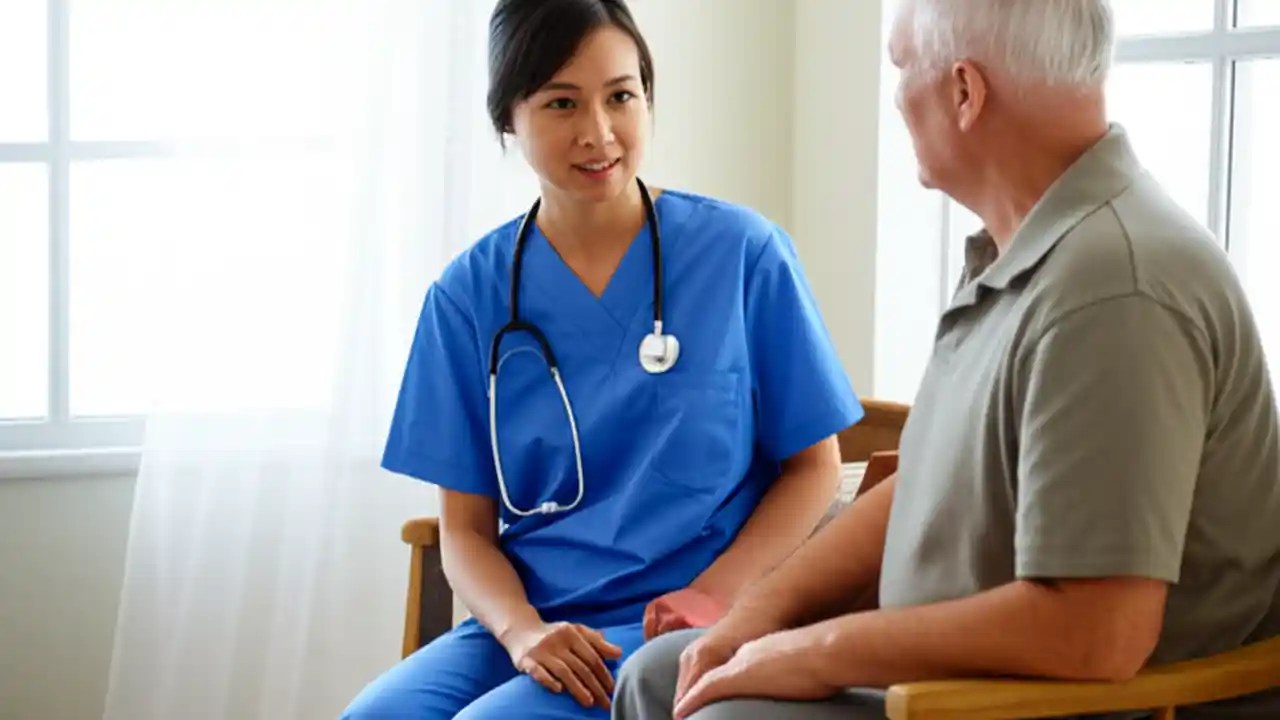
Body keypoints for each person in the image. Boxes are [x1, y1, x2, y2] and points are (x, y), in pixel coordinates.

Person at [614, 0, 1280, 718]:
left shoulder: (1115, 289)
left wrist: (817, 650)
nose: (897, 97)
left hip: (1050, 704)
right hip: (956, 683)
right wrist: (755, 617)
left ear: (964, 91)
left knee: (716, 713)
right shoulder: (1024, 251)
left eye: (902, 69)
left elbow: (1098, 634)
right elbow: (921, 487)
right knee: (661, 673)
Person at [338, 0, 863, 718]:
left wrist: (718, 592)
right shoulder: (468, 296)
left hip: (678, 619)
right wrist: (524, 633)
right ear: (508, 117)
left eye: (621, 96)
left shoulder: (742, 255)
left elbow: (815, 466)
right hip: (537, 621)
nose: (599, 132)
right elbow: (464, 529)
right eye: (561, 103)